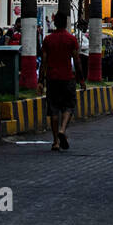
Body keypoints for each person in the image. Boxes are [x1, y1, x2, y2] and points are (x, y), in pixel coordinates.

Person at [41, 10, 78, 151]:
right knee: (68, 106)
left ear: (55, 23)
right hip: (67, 78)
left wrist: (40, 80)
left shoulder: (48, 40)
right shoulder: (71, 39)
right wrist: (81, 79)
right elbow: (77, 60)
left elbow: (43, 62)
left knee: (54, 110)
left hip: (52, 79)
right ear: (66, 23)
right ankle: (62, 129)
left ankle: (56, 141)